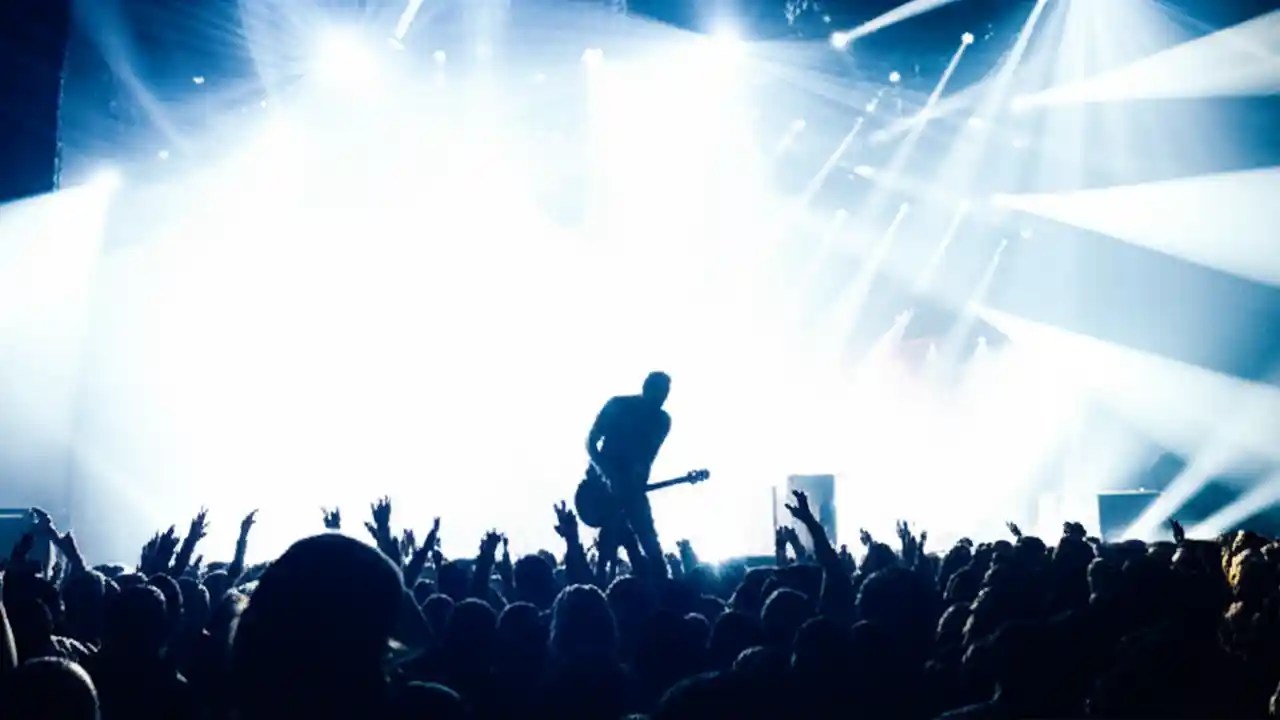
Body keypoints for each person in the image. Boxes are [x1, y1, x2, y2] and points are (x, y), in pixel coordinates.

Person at [586, 371, 672, 578]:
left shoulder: (662, 421)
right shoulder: (617, 405)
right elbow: (591, 442)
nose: (662, 398)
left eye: (665, 393)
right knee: (611, 545)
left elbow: (646, 458)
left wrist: (631, 483)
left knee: (650, 544)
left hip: (631, 490)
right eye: (658, 392)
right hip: (598, 487)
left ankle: (661, 586)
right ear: (646, 389)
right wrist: (607, 474)